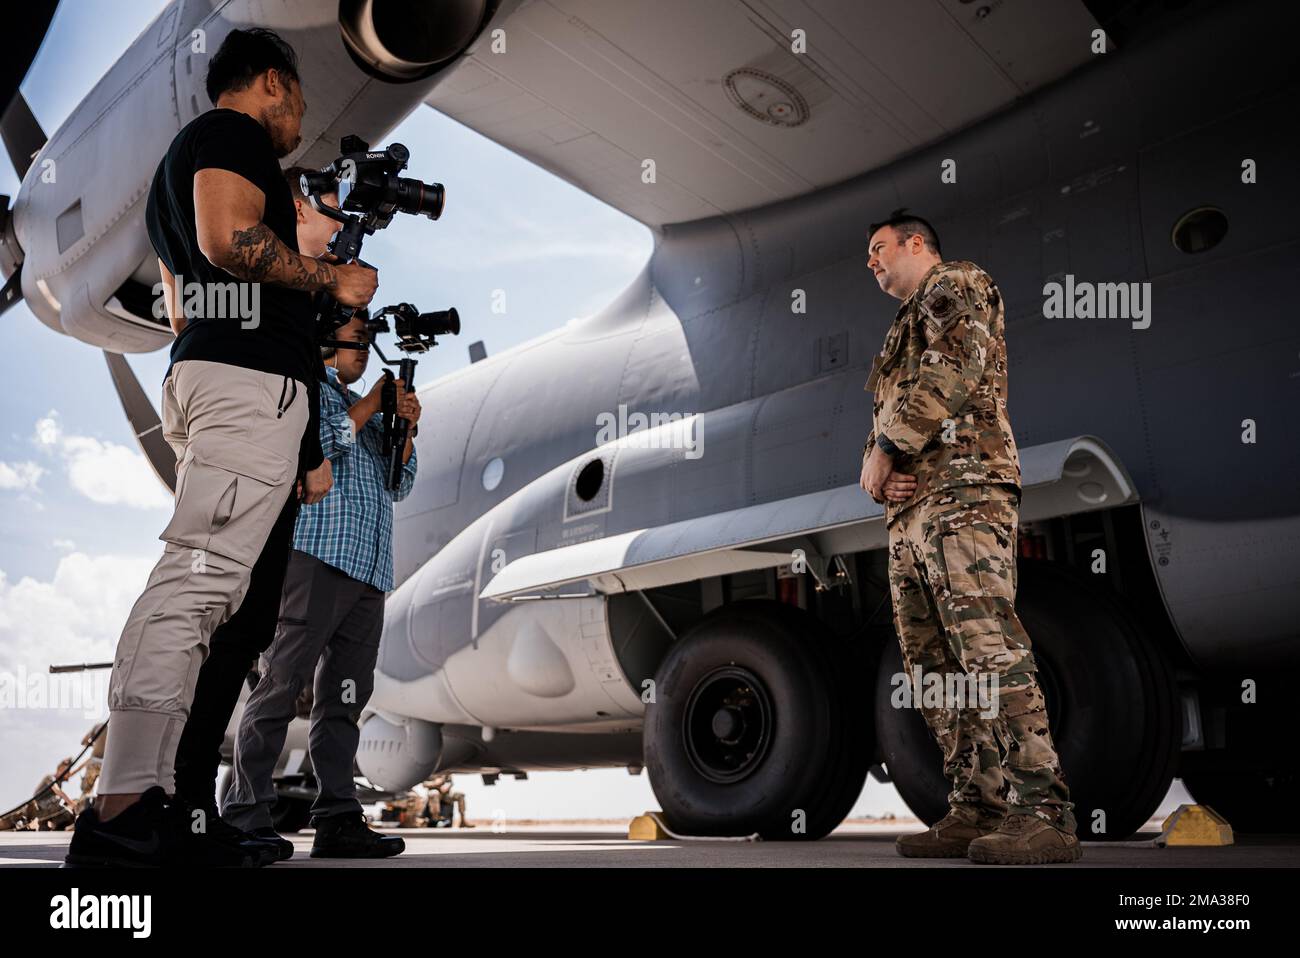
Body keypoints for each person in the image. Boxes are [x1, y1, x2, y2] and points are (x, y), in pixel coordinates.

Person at [65, 28, 377, 868]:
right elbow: (227, 242)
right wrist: (330, 281)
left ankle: (164, 807)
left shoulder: (184, 165)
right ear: (272, 83)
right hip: (243, 391)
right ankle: (125, 809)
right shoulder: (229, 136)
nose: (297, 119)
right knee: (196, 586)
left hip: (226, 380)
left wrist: (296, 283)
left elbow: (183, 306)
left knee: (220, 603)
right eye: (300, 101)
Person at [860, 209, 1080, 865]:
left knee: (988, 649)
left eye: (878, 248)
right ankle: (976, 806)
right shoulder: (901, 325)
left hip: (965, 493)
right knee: (936, 672)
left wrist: (888, 448)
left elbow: (952, 372)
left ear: (916, 243)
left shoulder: (956, 282)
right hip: (913, 512)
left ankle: (1045, 812)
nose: (871, 262)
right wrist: (879, 471)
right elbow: (895, 413)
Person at [168, 164, 344, 858]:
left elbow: (295, 369)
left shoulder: (290, 289)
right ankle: (181, 805)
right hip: (251, 446)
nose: (340, 228)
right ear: (292, 208)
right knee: (213, 621)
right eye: (329, 210)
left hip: (276, 458)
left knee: (246, 629)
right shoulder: (266, 278)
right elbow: (279, 371)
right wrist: (310, 457)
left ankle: (193, 808)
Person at [221, 310, 419, 860]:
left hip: (370, 569)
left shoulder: (372, 412)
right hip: (316, 559)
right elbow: (317, 447)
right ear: (326, 341)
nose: (366, 351)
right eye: (359, 340)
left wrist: (404, 430)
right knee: (282, 684)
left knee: (344, 703)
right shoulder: (308, 388)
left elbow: (400, 484)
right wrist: (370, 407)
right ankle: (244, 812)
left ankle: (337, 819)